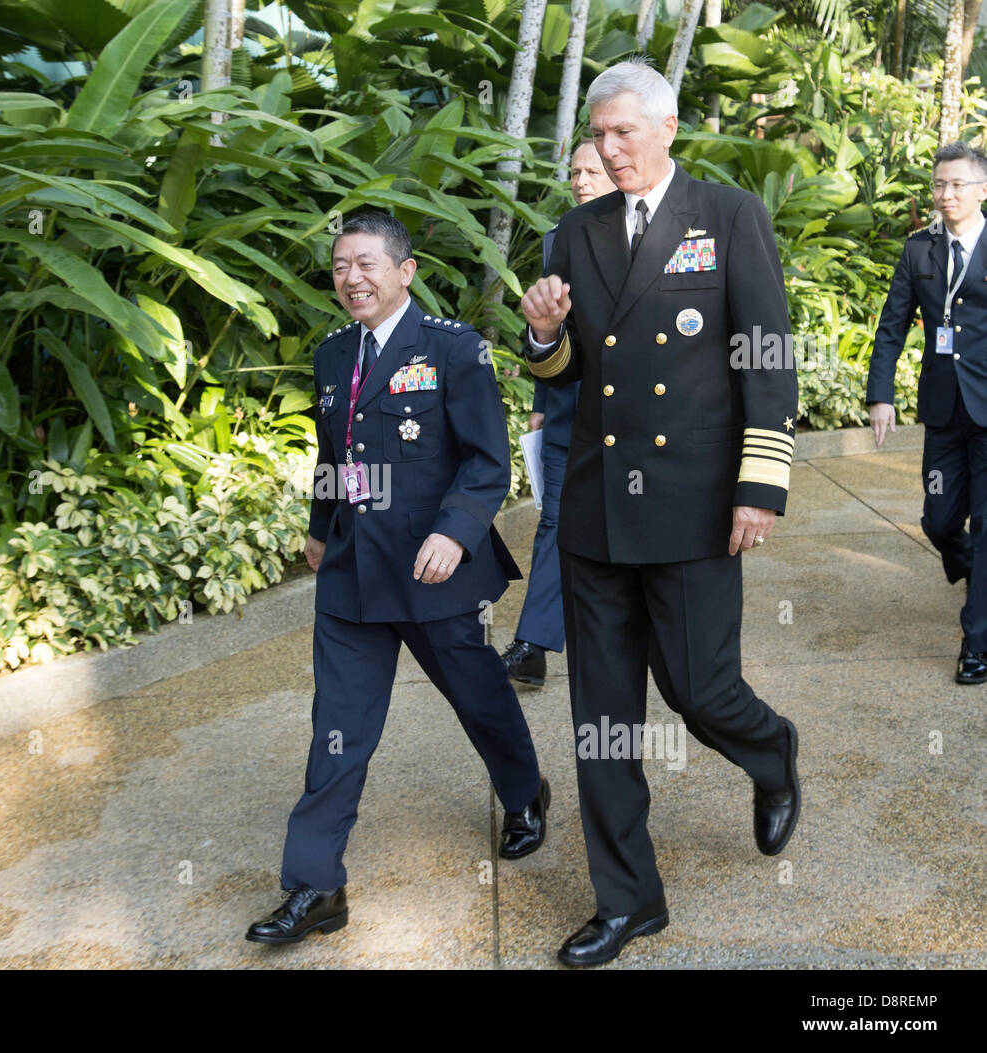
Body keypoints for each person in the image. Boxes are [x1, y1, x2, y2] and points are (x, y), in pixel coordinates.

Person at [520, 61, 801, 967]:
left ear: (668, 128)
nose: (608, 149)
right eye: (599, 135)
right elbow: (564, 377)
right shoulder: (578, 228)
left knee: (698, 689)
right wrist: (543, 335)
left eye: (624, 133)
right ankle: (628, 900)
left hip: (694, 507)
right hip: (599, 512)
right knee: (602, 717)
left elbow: (765, 352)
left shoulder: (727, 219)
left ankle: (771, 751)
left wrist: (760, 485)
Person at [246, 211, 548, 945]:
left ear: (404, 271)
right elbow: (332, 457)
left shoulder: (452, 348)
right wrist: (320, 531)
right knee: (338, 727)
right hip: (353, 571)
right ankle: (316, 883)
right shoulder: (330, 356)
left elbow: (486, 459)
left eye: (366, 263)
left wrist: (455, 531)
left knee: (477, 693)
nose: (351, 277)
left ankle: (524, 790)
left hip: (430, 566)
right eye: (340, 265)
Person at [867, 141, 987, 684]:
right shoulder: (920, 251)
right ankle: (970, 571)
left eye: (958, 184)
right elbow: (891, 327)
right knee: (939, 521)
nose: (947, 194)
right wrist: (881, 395)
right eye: (940, 185)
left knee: (986, 529)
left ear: (982, 189)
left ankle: (976, 643)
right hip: (943, 410)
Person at [502, 140, 618, 686]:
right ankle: (533, 644)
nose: (581, 180)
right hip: (569, 406)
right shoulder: (558, 241)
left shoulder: (649, 237)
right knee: (555, 518)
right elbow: (550, 329)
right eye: (574, 171)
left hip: (632, 417)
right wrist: (541, 405)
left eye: (592, 170)